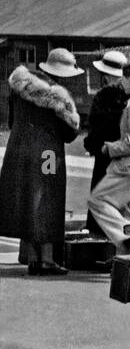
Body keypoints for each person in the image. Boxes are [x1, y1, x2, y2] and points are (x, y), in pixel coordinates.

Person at [0, 48, 83, 275]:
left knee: (28, 201)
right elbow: (70, 133)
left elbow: (10, 120)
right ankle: (46, 260)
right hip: (48, 154)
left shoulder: (18, 87)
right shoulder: (59, 97)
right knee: (48, 200)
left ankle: (32, 258)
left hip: (19, 151)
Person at [87, 57, 130, 255]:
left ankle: (126, 237)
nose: (121, 81)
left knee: (97, 200)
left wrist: (109, 148)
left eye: (124, 78)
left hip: (128, 167)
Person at [83, 50, 130, 236]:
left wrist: (91, 145)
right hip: (125, 155)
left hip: (105, 155)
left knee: (100, 199)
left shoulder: (103, 97)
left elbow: (96, 127)